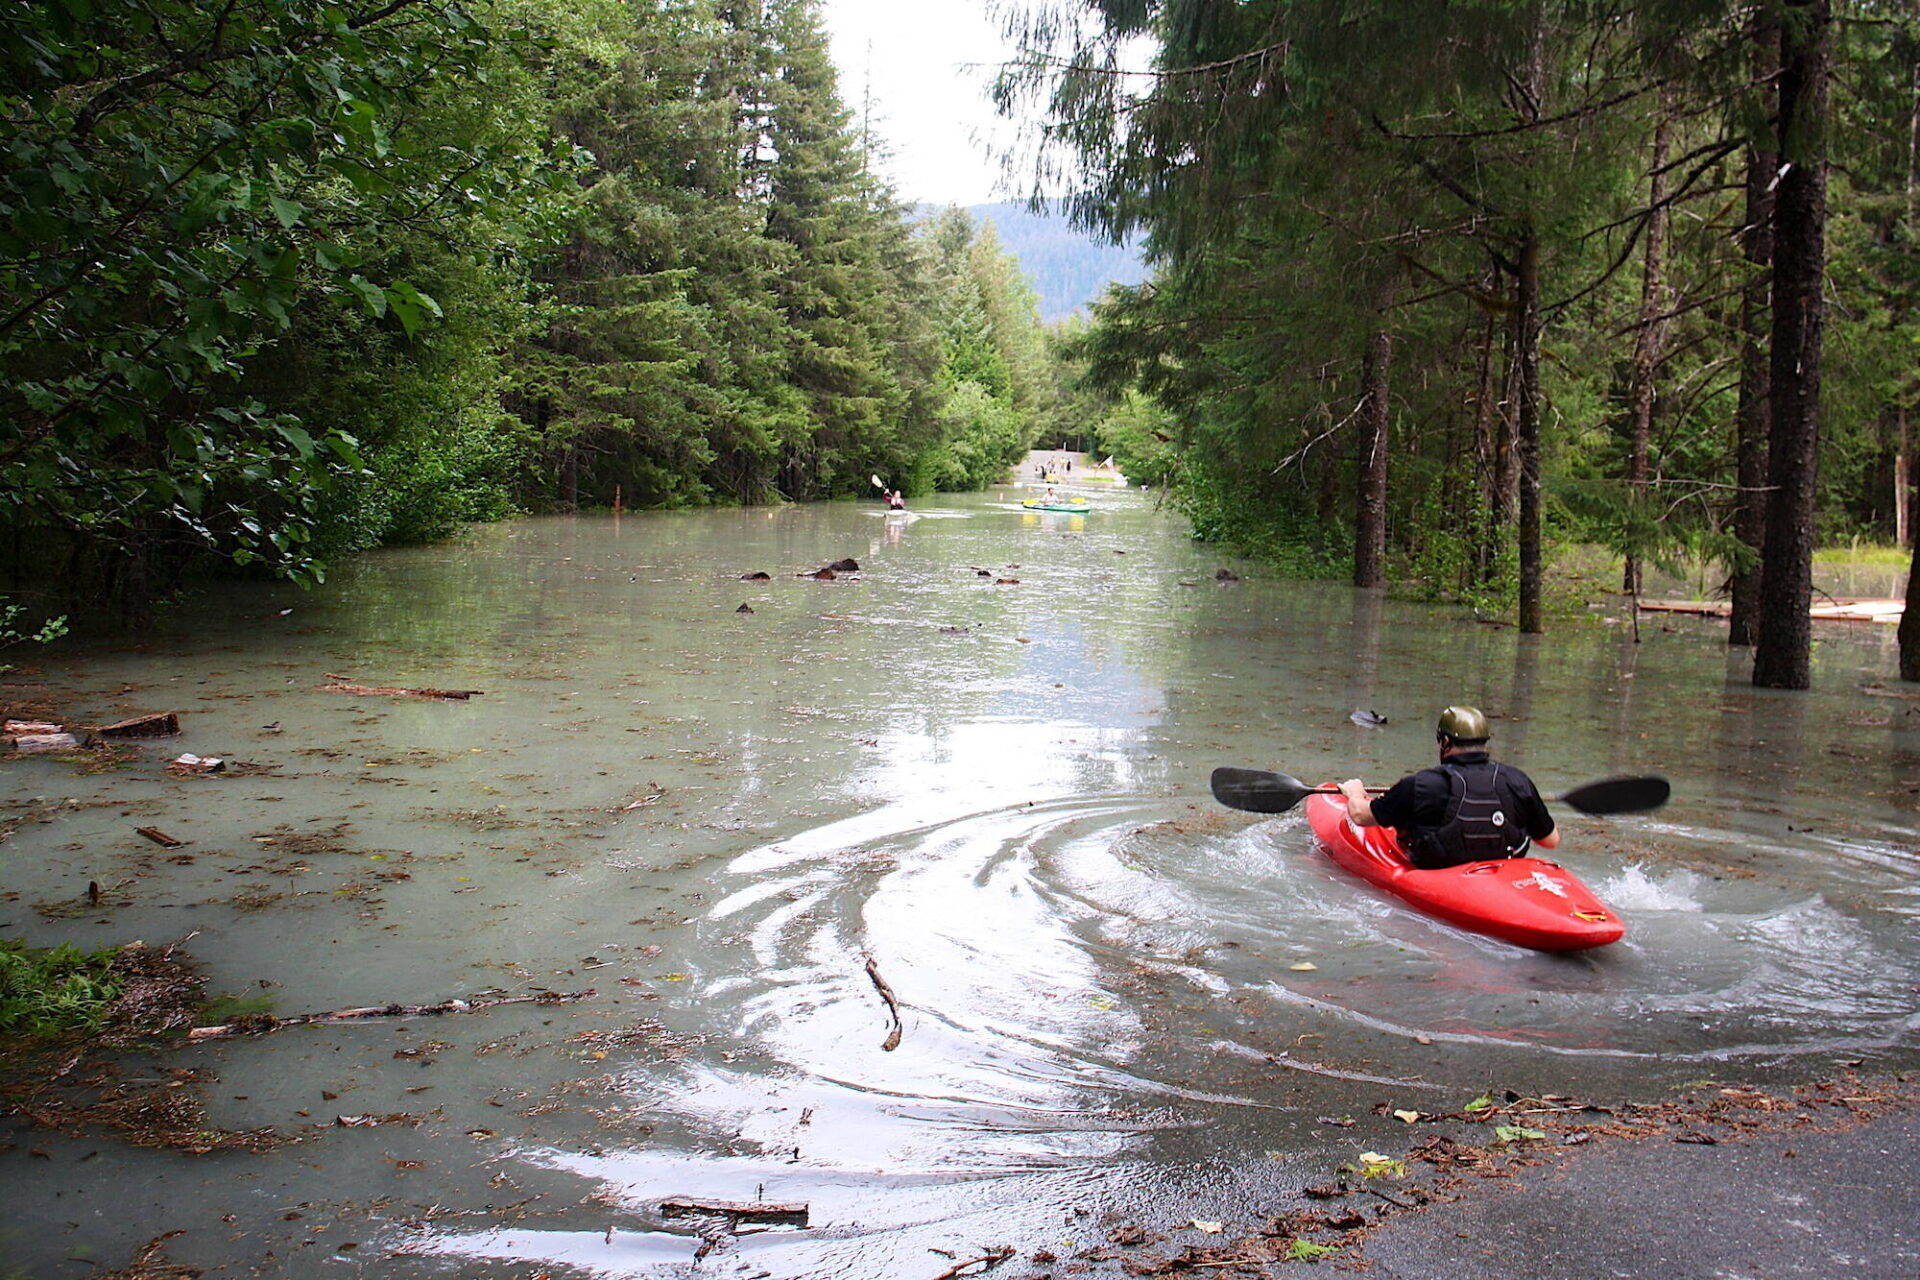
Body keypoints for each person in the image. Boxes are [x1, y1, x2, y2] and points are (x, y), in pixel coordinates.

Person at [1335, 705, 1558, 869]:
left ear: (1445, 742)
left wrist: (1355, 792)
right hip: (1504, 874)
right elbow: (1550, 841)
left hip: (1442, 874)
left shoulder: (1420, 785)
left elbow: (1360, 816)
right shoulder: (1517, 780)